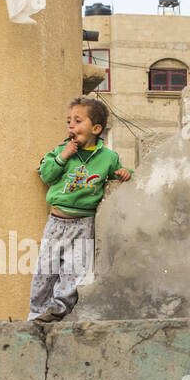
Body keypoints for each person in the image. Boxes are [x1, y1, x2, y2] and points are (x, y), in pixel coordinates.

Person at [27, 97, 132, 322]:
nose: (71, 126)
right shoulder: (59, 151)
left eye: (77, 120)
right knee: (45, 270)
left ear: (96, 128)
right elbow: (46, 175)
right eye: (69, 121)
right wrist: (64, 156)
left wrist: (124, 173)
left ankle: (58, 311)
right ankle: (36, 313)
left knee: (73, 271)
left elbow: (117, 172)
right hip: (56, 222)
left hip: (84, 224)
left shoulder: (108, 157)